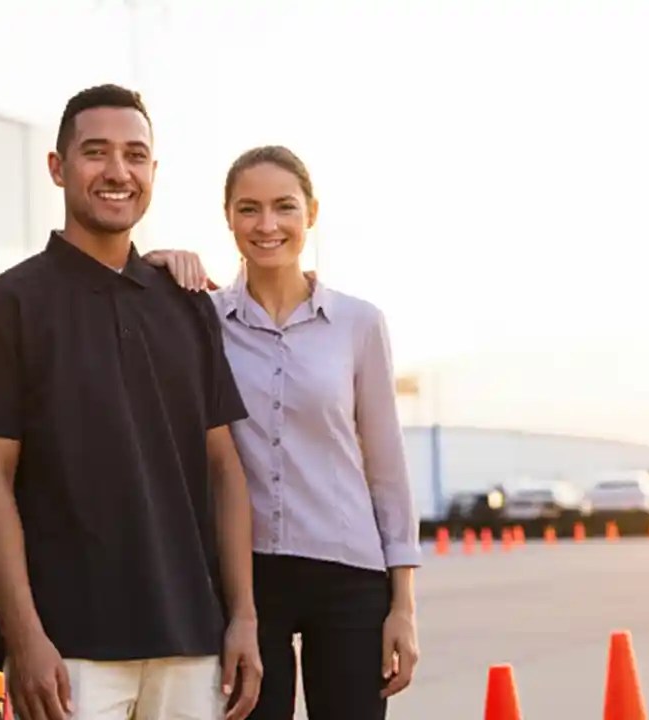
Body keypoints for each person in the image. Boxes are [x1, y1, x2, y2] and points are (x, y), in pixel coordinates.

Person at [0, 84, 263, 720]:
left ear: (153, 171)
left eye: (136, 155)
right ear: (58, 167)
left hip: (192, 642)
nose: (118, 172)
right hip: (72, 656)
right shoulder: (6, 308)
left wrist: (244, 618)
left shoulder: (188, 304)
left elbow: (226, 472)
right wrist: (27, 637)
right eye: (97, 153)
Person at [145, 145, 422, 719]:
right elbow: (128, 290)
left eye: (284, 207)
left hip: (349, 575)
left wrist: (404, 606)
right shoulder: (203, 319)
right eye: (249, 209)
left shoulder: (359, 323)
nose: (267, 226)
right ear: (228, 218)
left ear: (311, 213)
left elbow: (386, 466)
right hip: (246, 580)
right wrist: (155, 261)